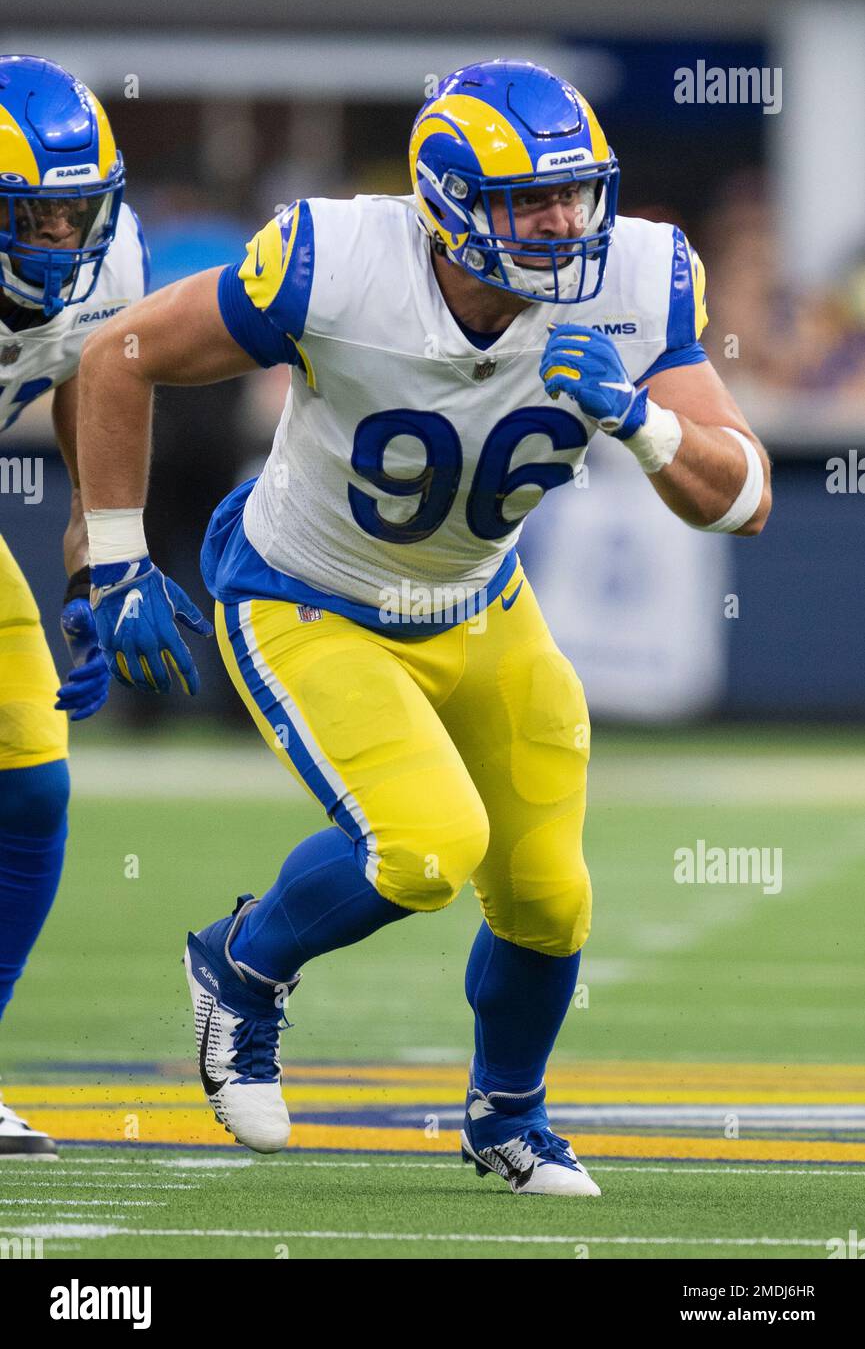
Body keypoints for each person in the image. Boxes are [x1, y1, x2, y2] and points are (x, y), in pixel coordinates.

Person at [77, 60, 771, 1196]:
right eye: (527, 199)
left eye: (577, 192)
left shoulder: (641, 276)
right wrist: (113, 561)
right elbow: (123, 354)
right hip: (308, 597)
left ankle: (508, 1113)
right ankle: (240, 968)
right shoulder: (334, 261)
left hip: (481, 604)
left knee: (550, 894)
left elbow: (743, 499)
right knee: (426, 845)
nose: (564, 221)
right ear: (447, 205)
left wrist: (640, 422)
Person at [0, 54, 148, 1156]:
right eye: (32, 216)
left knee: (28, 787)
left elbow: (82, 389)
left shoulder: (112, 263)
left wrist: (95, 565)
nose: (60, 241)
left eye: (73, 214)